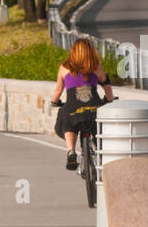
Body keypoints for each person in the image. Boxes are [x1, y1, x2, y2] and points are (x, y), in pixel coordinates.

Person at [49, 39, 114, 170]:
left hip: (73, 109)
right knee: (98, 126)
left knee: (67, 120)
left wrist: (54, 102)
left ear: (73, 51)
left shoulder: (64, 67)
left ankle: (71, 151)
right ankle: (101, 154)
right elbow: (107, 88)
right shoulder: (97, 67)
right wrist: (109, 100)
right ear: (91, 52)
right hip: (94, 107)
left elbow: (58, 90)